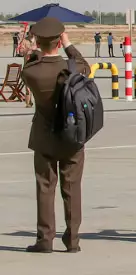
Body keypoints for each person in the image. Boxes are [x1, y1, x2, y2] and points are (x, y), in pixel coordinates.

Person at [19, 17, 91, 253]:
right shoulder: (73, 67)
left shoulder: (32, 72)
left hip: (44, 136)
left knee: (45, 188)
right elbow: (85, 65)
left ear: (38, 41)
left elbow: (27, 66)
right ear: (59, 41)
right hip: (72, 136)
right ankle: (72, 240)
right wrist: (69, 45)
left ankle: (45, 239)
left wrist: (34, 51)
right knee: (72, 188)